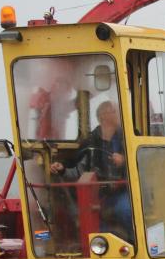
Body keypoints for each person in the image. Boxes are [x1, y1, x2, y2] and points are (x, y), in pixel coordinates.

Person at [49, 100, 133, 239]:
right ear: (103, 117)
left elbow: (141, 161)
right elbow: (77, 167)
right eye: (114, 111)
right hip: (98, 194)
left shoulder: (129, 137)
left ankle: (135, 243)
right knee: (84, 216)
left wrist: (124, 160)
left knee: (125, 210)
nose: (118, 114)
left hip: (124, 190)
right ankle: (102, 244)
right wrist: (62, 167)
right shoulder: (90, 142)